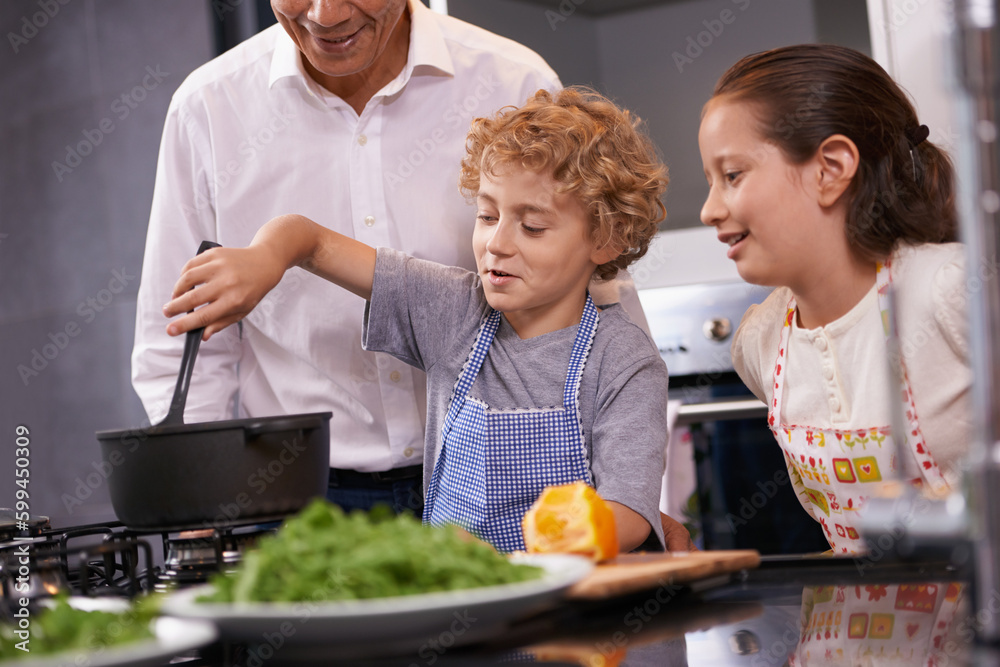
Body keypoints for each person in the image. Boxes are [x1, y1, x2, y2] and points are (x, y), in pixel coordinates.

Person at [131, 0, 648, 517]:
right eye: (486, 217)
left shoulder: (513, 78)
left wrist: (632, 499)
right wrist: (200, 505)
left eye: (530, 226)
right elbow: (181, 342)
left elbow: (601, 292)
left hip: (513, 494)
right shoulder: (207, 107)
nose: (326, 14)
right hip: (300, 495)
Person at [698, 44, 972, 554]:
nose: (709, 209)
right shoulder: (761, 343)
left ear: (830, 168)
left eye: (732, 175)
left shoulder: (951, 288)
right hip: (849, 629)